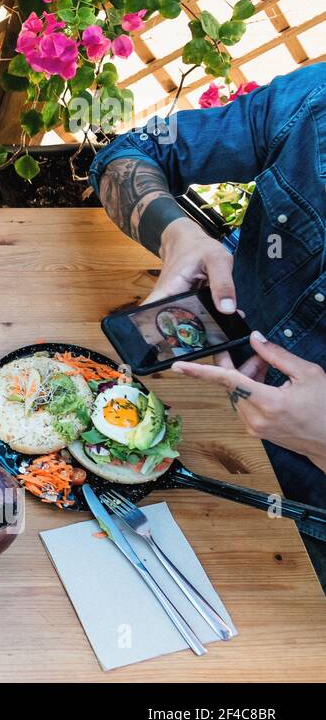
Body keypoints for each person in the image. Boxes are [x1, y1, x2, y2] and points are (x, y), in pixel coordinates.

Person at [90, 62, 326, 577]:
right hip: (192, 398)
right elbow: (130, 154)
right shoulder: (312, 100)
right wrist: (178, 234)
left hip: (305, 521)